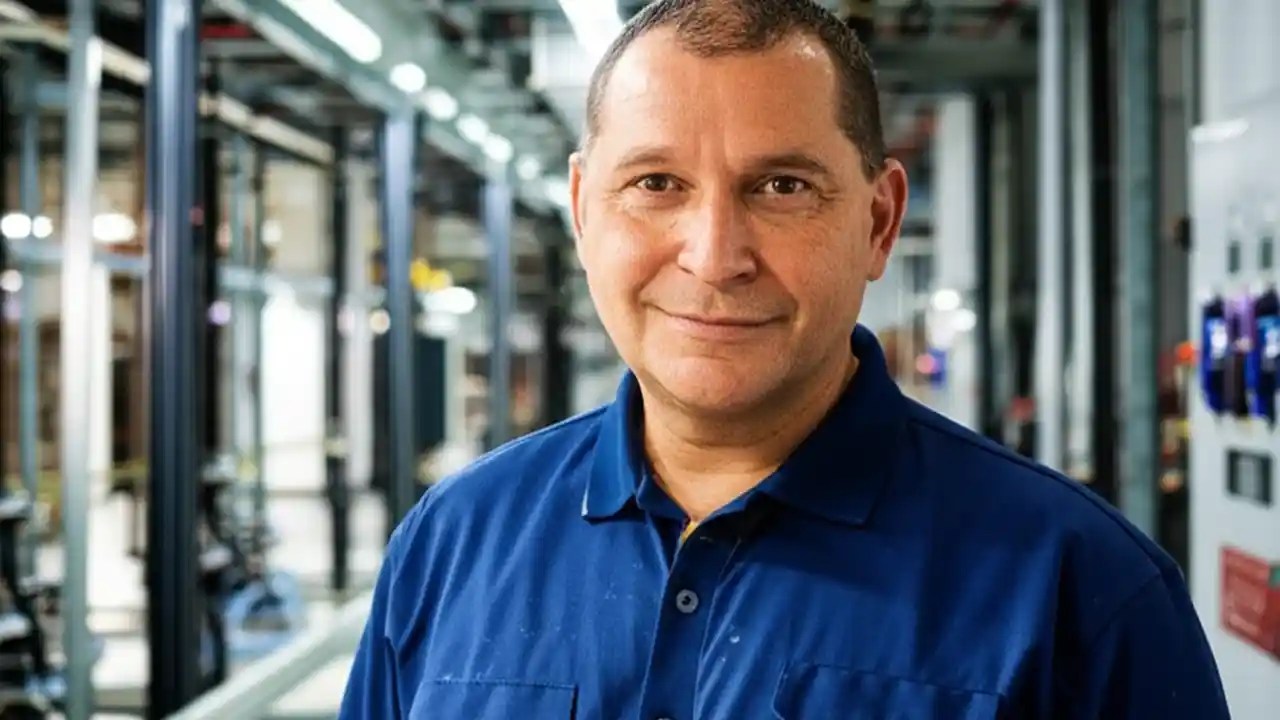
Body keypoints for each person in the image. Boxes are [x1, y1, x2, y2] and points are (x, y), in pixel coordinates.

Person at [340, 1, 1230, 717]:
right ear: (583, 209)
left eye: (782, 187)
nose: (715, 254)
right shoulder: (452, 543)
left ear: (878, 221)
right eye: (657, 184)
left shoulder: (1080, 589)